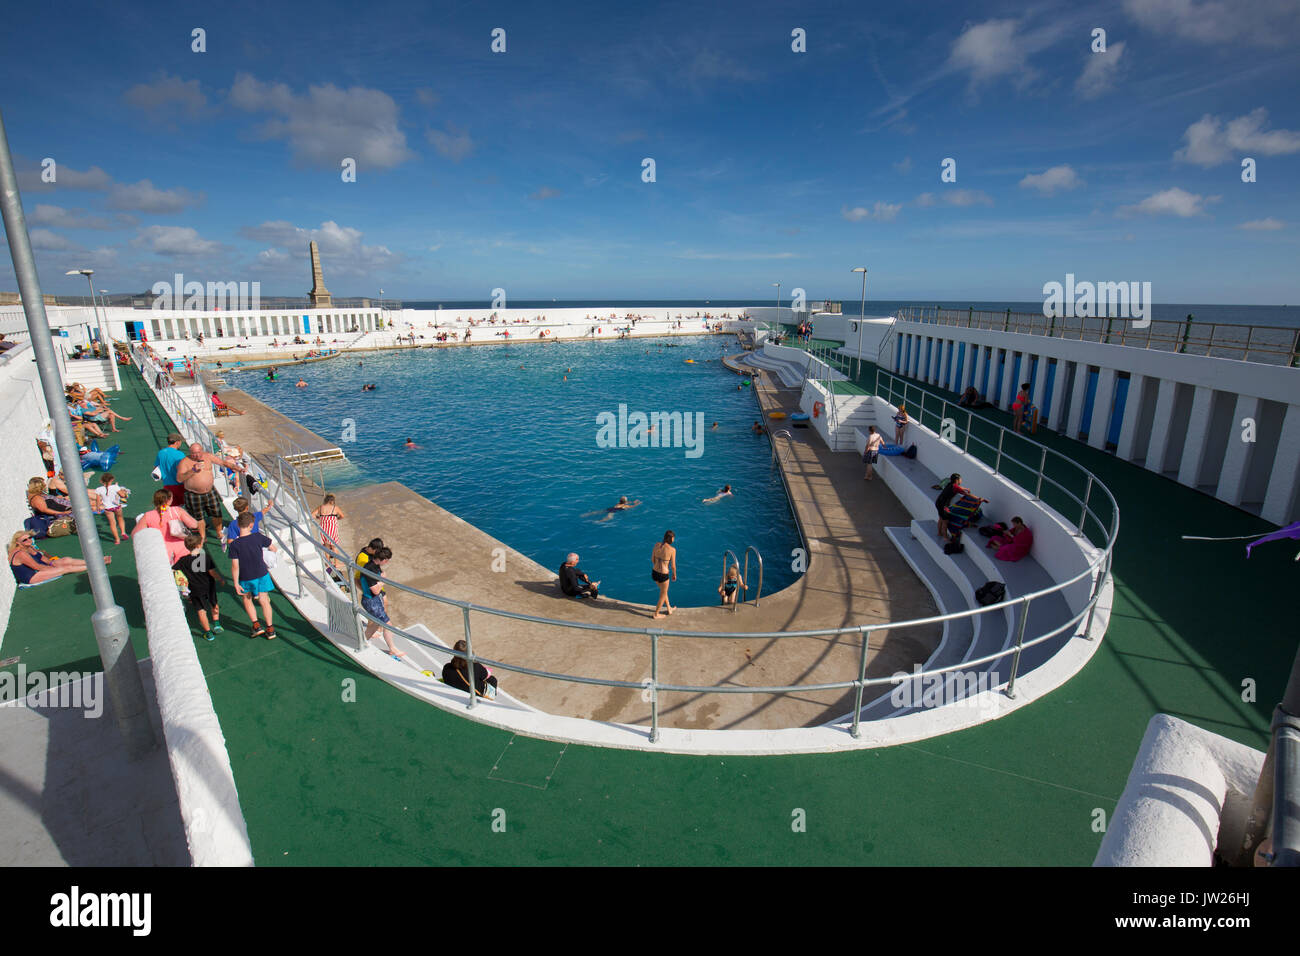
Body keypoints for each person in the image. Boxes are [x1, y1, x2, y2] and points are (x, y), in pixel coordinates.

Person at [177, 442, 245, 544]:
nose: (197, 455)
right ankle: (202, 536)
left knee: (217, 513)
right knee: (199, 517)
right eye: (194, 453)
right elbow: (179, 478)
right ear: (190, 452)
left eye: (199, 452)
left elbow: (223, 463)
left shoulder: (207, 456)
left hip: (210, 491)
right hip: (194, 494)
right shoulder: (184, 462)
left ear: (202, 450)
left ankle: (219, 533)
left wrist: (238, 468)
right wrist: (193, 470)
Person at [227, 511, 278, 640]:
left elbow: (235, 566)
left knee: (247, 599)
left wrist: (235, 583)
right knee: (264, 600)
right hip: (262, 573)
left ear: (238, 525)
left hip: (246, 576)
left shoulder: (234, 545)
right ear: (251, 525)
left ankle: (256, 626)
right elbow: (273, 548)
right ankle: (270, 629)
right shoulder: (258, 537)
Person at [173, 533, 224, 641]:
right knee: (214, 604)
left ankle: (208, 633)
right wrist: (220, 579)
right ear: (198, 546)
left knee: (201, 610)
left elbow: (173, 570)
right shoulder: (205, 557)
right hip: (209, 585)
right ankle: (217, 624)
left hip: (195, 589)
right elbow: (211, 572)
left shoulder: (183, 560)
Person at [8, 530, 105, 585]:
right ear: (18, 543)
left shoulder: (28, 547)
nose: (29, 540)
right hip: (31, 577)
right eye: (25, 540)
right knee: (66, 568)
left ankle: (94, 561)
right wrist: (53, 568)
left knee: (66, 560)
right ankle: (94, 566)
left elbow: (42, 558)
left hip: (38, 570)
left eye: (29, 537)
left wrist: (51, 563)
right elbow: (37, 567)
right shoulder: (21, 554)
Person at [132, 488, 200, 564]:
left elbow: (135, 534)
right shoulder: (177, 510)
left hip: (161, 549)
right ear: (169, 500)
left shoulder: (148, 515)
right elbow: (194, 525)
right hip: (182, 547)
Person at [358, 546, 402, 658]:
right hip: (371, 601)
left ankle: (362, 640)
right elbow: (376, 590)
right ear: (384, 560)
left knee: (376, 624)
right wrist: (383, 580)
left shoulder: (374, 565)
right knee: (387, 624)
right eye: (387, 561)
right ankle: (392, 648)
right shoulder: (370, 570)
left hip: (373, 600)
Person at [935, 474, 986, 541]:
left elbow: (959, 488)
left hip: (938, 502)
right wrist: (979, 499)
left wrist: (966, 488)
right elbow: (967, 494)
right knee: (945, 521)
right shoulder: (956, 487)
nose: (961, 480)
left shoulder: (950, 484)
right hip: (943, 506)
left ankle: (939, 533)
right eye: (960, 479)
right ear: (957, 480)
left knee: (941, 518)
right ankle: (945, 537)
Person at [312, 494, 346, 577]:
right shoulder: (335, 508)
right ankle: (336, 563)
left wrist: (319, 518)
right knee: (334, 547)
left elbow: (312, 514)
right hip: (332, 529)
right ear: (332, 501)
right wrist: (337, 518)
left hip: (323, 529)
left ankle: (328, 563)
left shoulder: (321, 507)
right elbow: (342, 516)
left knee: (326, 546)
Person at [154, 433, 189, 506]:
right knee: (185, 507)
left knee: (171, 508)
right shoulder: (179, 454)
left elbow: (155, 468)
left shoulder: (161, 453)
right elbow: (184, 468)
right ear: (177, 442)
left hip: (167, 486)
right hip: (180, 486)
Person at [97, 472, 130, 544]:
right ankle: (123, 532)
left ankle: (117, 539)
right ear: (112, 479)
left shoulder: (99, 489)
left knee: (112, 523)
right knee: (120, 518)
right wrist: (124, 493)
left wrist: (98, 508)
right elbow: (123, 495)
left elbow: (98, 500)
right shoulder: (115, 487)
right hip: (117, 507)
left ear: (101, 481)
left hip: (108, 509)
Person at [651, 530, 676, 619]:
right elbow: (673, 566)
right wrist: (674, 574)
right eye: (673, 538)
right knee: (663, 594)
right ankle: (656, 614)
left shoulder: (656, 545)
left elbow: (652, 560)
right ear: (671, 539)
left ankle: (669, 609)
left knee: (664, 592)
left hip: (654, 573)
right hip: (663, 575)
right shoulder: (672, 550)